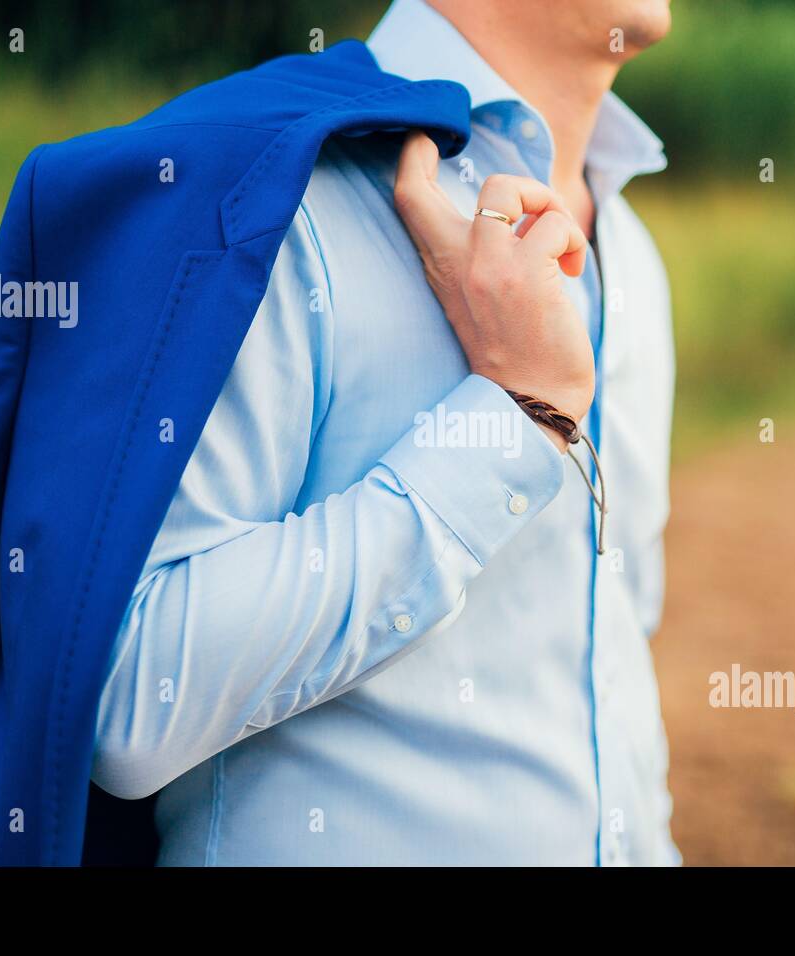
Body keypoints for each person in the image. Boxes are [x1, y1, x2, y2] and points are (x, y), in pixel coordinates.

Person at [90, 0, 680, 865]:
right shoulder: (271, 194)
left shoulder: (634, 246)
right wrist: (514, 414)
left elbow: (620, 640)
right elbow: (131, 699)